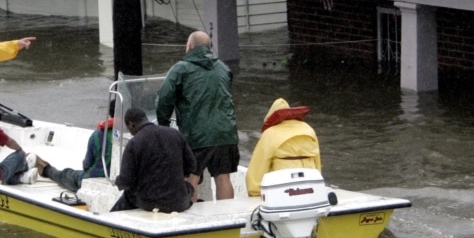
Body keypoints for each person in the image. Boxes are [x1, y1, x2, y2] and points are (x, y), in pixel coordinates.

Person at [155, 30, 240, 200]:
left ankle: (193, 219)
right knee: (223, 179)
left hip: (196, 136)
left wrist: (163, 125)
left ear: (189, 46)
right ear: (209, 47)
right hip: (225, 133)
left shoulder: (180, 69)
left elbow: (164, 99)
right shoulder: (223, 68)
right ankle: (228, 218)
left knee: (191, 178)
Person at [111, 108, 196, 213]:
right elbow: (191, 166)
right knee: (188, 187)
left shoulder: (134, 143)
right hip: (179, 202)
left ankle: (107, 222)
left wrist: (118, 181)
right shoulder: (175, 134)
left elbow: (126, 181)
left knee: (128, 195)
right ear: (145, 119)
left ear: (131, 124)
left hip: (150, 203)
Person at [245, 98, 322, 196]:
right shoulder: (308, 130)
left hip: (283, 189)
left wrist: (255, 192)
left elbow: (256, 171)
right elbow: (317, 164)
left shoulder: (270, 134)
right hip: (310, 186)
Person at [36, 116, 114, 193]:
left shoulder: (98, 135)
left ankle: (46, 169)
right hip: (120, 181)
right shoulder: (125, 135)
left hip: (93, 178)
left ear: (110, 115)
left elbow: (87, 165)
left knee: (66, 174)